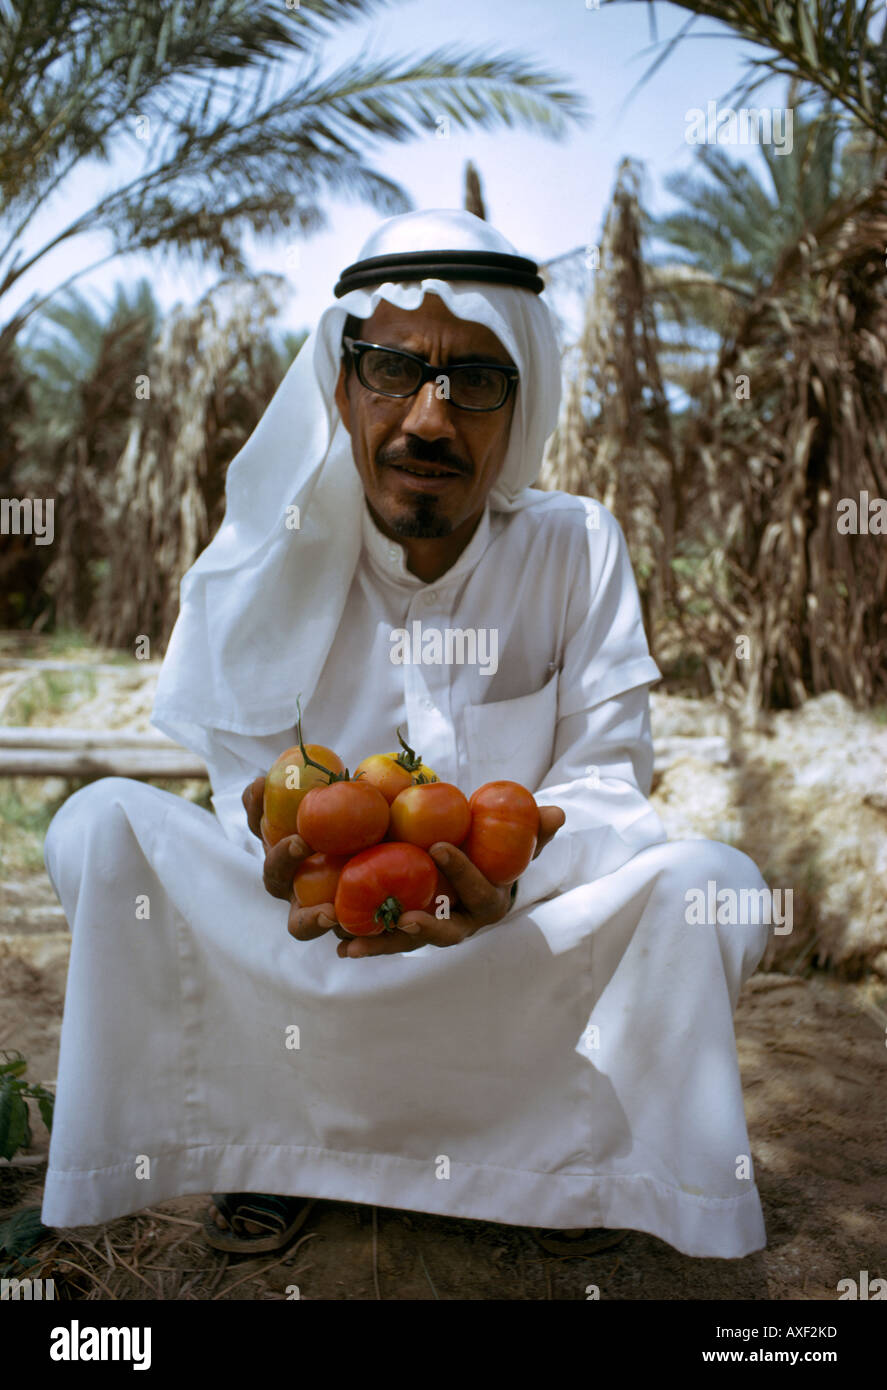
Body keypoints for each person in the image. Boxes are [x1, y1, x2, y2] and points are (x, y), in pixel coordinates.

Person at [41, 208, 771, 1263]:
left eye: (474, 379)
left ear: (516, 408)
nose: (429, 418)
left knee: (718, 881)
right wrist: (283, 864)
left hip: (511, 953)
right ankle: (269, 1143)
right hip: (310, 954)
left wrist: (506, 882)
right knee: (95, 829)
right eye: (392, 369)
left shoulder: (574, 547)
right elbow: (252, 809)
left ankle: (570, 1172)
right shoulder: (267, 557)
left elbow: (609, 786)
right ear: (341, 388)